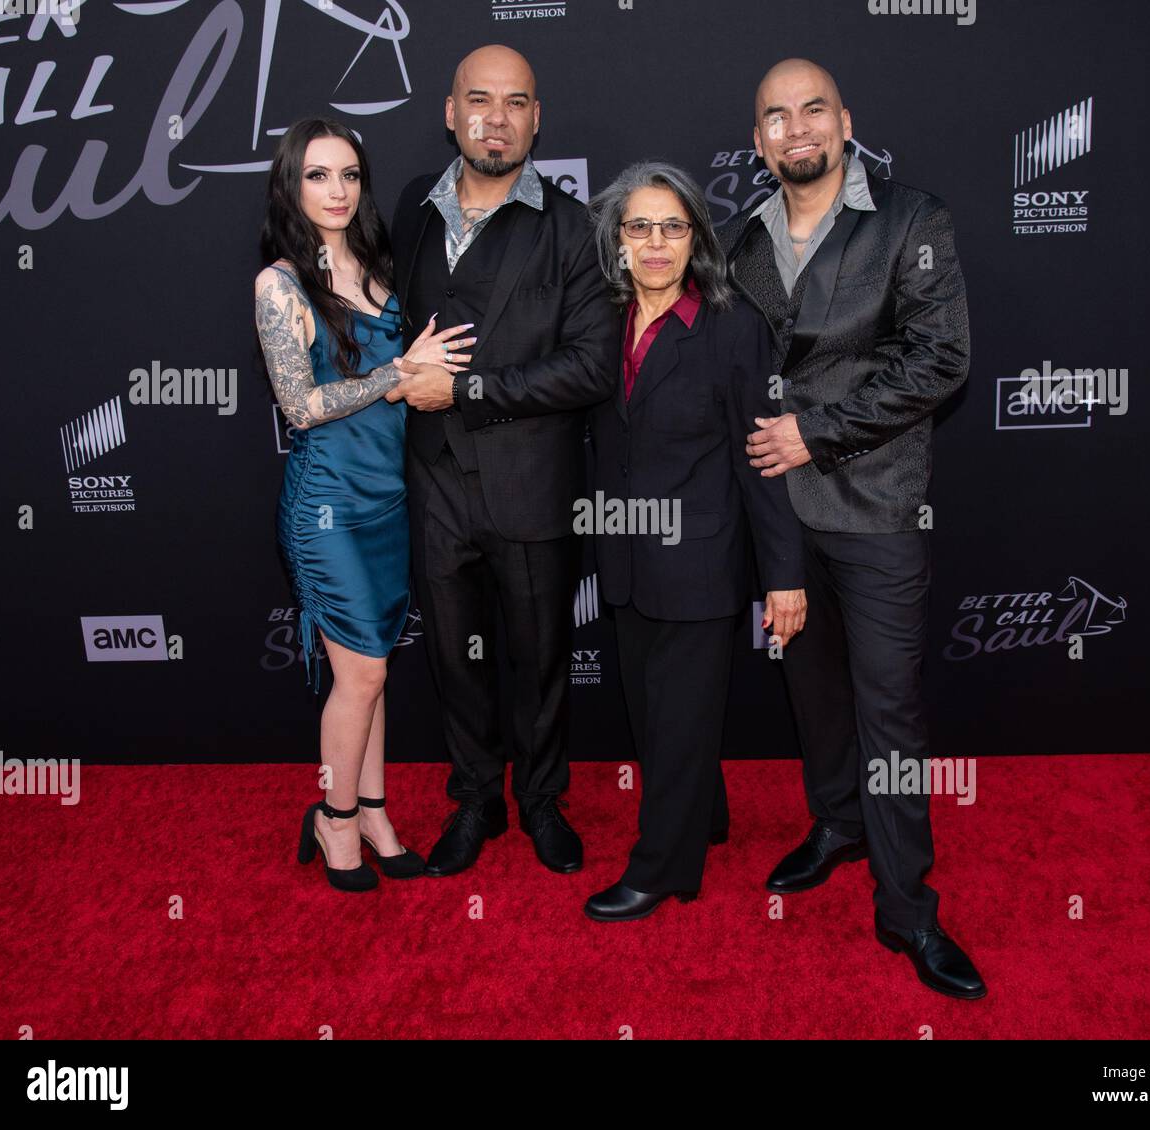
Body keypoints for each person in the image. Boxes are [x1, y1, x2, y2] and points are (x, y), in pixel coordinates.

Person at [722, 59, 985, 997]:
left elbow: (940, 359)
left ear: (844, 122)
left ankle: (908, 908)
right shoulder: (739, 241)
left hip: (876, 509)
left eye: (814, 112)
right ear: (758, 141)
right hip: (784, 522)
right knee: (816, 696)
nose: (798, 131)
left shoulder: (911, 221)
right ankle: (835, 823)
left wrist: (814, 432)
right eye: (777, 118)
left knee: (890, 716)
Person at [386, 46, 619, 877]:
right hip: (434, 481)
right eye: (478, 100)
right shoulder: (413, 207)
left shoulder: (575, 229)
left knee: (542, 656)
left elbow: (593, 365)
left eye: (515, 101)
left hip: (532, 483)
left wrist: (469, 390)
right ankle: (477, 798)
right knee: (454, 656)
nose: (496, 117)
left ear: (536, 118)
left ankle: (543, 801)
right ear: (450, 112)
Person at [254, 118, 475, 891]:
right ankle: (334, 818)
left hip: (388, 501)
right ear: (291, 184)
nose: (337, 190)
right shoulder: (279, 284)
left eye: (349, 174)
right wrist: (398, 373)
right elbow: (301, 406)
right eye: (318, 176)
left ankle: (374, 812)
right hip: (328, 510)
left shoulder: (380, 264)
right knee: (361, 677)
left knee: (373, 671)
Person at [581, 162, 805, 921]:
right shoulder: (600, 321)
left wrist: (783, 574)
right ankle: (704, 816)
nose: (654, 243)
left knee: (676, 722)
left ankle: (660, 869)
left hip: (701, 559)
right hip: (624, 557)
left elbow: (764, 461)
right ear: (616, 239)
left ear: (695, 240)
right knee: (654, 715)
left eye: (672, 227)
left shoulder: (732, 326)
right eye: (637, 226)